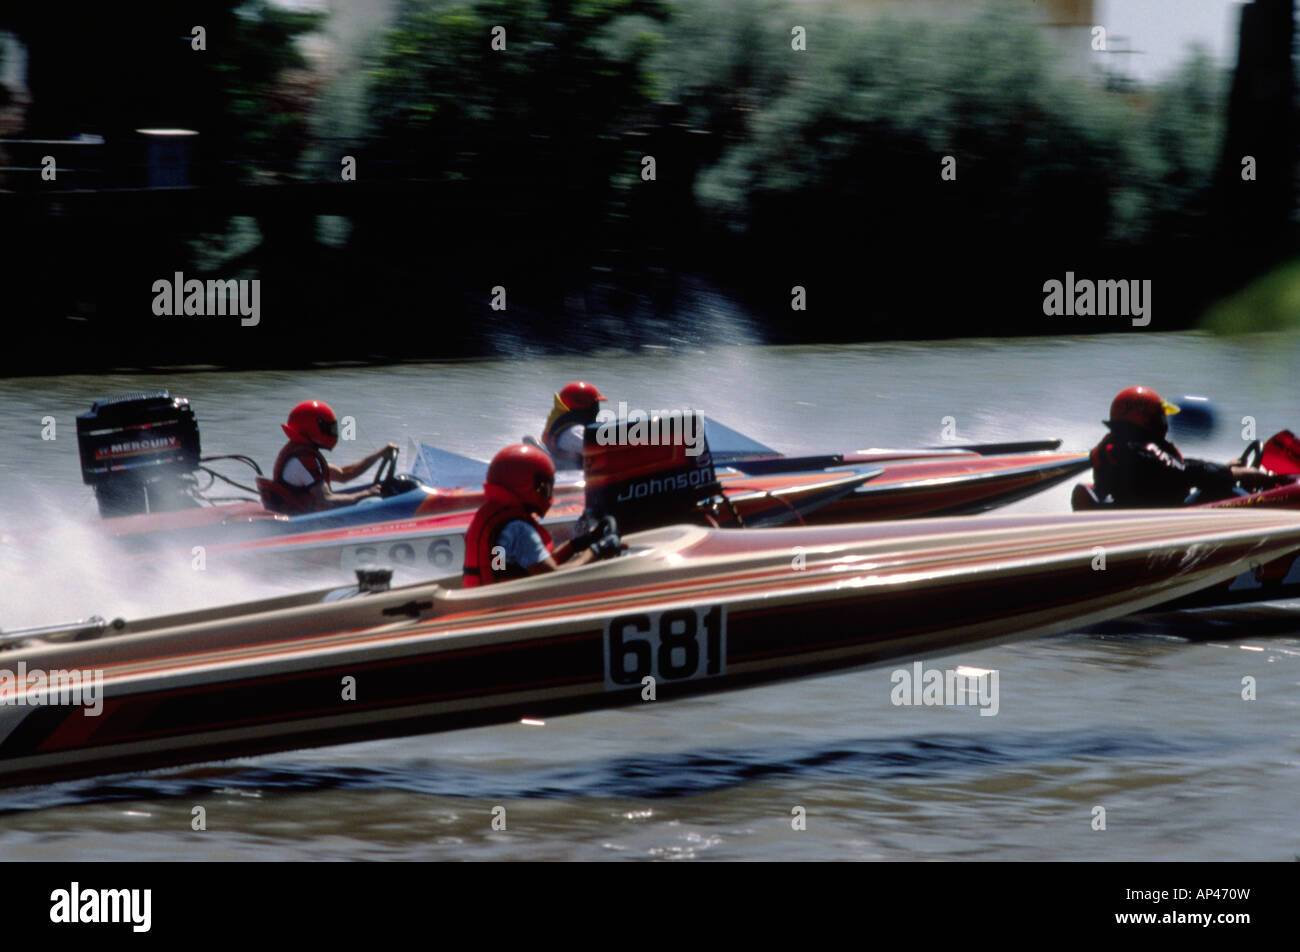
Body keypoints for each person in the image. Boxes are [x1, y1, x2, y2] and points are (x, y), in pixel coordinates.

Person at [1090, 386, 1278, 507]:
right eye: (1160, 416)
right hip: (1161, 526)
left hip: (1157, 517)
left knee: (1217, 484)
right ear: (1144, 418)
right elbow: (1186, 472)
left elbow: (1179, 466)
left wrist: (1225, 469)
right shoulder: (1136, 450)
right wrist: (1235, 475)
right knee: (1222, 492)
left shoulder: (1121, 445)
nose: (1164, 423)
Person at [463, 443, 620, 586]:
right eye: (544, 487)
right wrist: (596, 551)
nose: (548, 495)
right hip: (513, 610)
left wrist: (578, 544)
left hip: (491, 603)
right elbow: (553, 577)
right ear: (525, 485)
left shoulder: (494, 520)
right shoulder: (519, 530)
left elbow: (535, 564)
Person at [269, 400, 398, 513]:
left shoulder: (303, 453)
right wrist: (366, 494)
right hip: (307, 524)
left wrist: (380, 454)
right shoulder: (303, 461)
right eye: (329, 428)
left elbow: (344, 474)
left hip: (308, 514)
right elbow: (326, 501)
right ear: (312, 428)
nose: (333, 432)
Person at [541, 380, 607, 469]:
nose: (598, 409)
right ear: (586, 406)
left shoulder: (570, 425)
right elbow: (604, 452)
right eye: (596, 405)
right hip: (572, 477)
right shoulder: (575, 431)